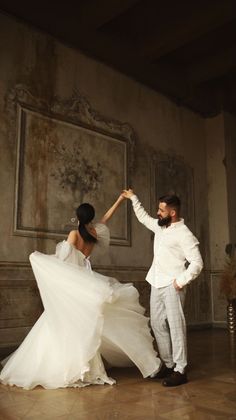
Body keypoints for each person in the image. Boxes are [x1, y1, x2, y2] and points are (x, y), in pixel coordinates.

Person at [0, 194, 161, 389]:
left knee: (67, 322)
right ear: (91, 218)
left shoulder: (74, 234)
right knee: (87, 322)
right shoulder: (94, 232)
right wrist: (119, 200)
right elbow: (106, 218)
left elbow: (63, 262)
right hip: (89, 281)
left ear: (78, 217)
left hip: (75, 283)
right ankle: (87, 364)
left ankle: (74, 366)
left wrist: (44, 260)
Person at [122, 189, 203, 387]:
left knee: (176, 327)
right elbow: (143, 217)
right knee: (157, 324)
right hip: (156, 282)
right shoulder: (161, 227)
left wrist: (180, 281)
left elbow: (197, 263)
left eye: (161, 210)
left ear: (172, 213)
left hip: (173, 285)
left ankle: (180, 369)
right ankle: (168, 364)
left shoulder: (185, 234)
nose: (158, 213)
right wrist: (133, 198)